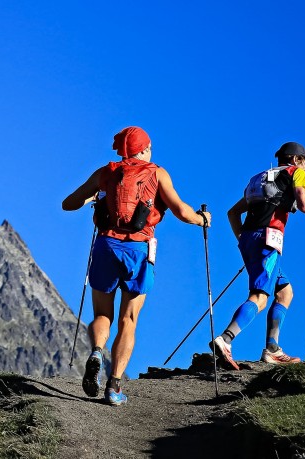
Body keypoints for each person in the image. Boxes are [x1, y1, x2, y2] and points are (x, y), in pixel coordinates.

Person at [63, 126, 210, 405]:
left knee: (102, 314)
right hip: (138, 249)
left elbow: (67, 204)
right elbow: (181, 211)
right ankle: (114, 387)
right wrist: (202, 219)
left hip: (106, 245)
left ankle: (96, 351)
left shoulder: (105, 173)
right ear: (143, 150)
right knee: (128, 320)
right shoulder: (157, 173)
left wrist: (94, 197)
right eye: (149, 147)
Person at [210, 142, 305, 369]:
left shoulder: (262, 177)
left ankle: (272, 349)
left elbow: (233, 212)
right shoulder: (295, 173)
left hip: (249, 238)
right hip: (269, 240)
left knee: (285, 292)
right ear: (295, 159)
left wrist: (244, 240)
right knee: (260, 297)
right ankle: (226, 339)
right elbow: (304, 205)